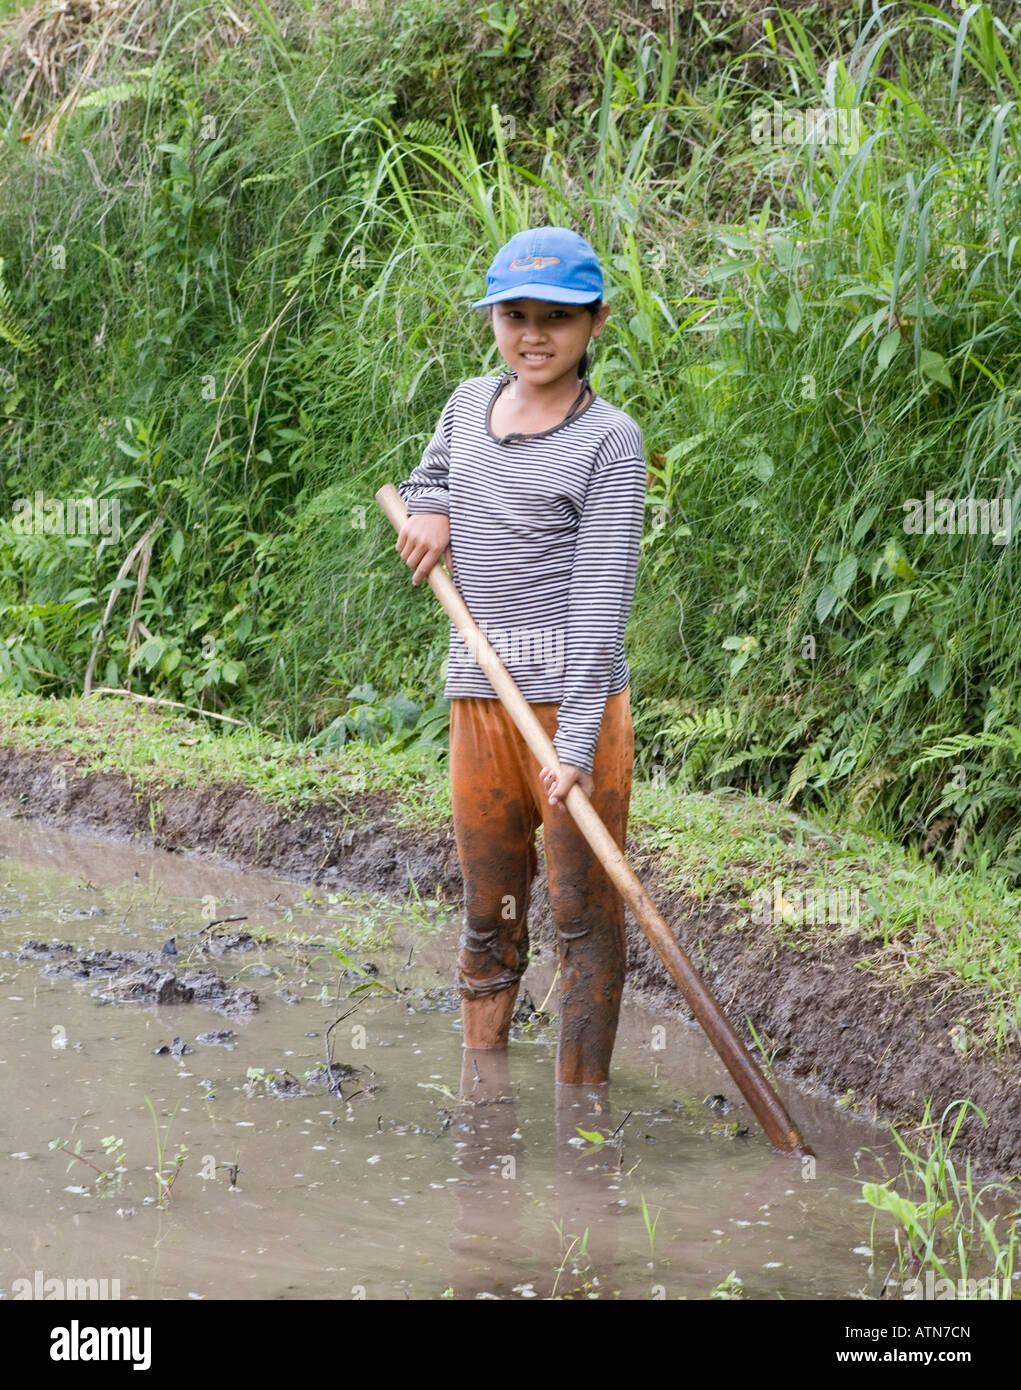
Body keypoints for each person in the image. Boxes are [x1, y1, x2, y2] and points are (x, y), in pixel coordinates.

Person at [395, 225, 646, 1089]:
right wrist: (430, 510)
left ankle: (583, 1110)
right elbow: (429, 480)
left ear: (595, 325)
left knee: (583, 916)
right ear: (493, 319)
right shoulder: (467, 404)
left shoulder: (611, 441)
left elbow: (600, 603)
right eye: (514, 315)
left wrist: (574, 744)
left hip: (574, 714)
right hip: (480, 703)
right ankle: (484, 1090)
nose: (533, 335)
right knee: (487, 911)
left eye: (557, 318)